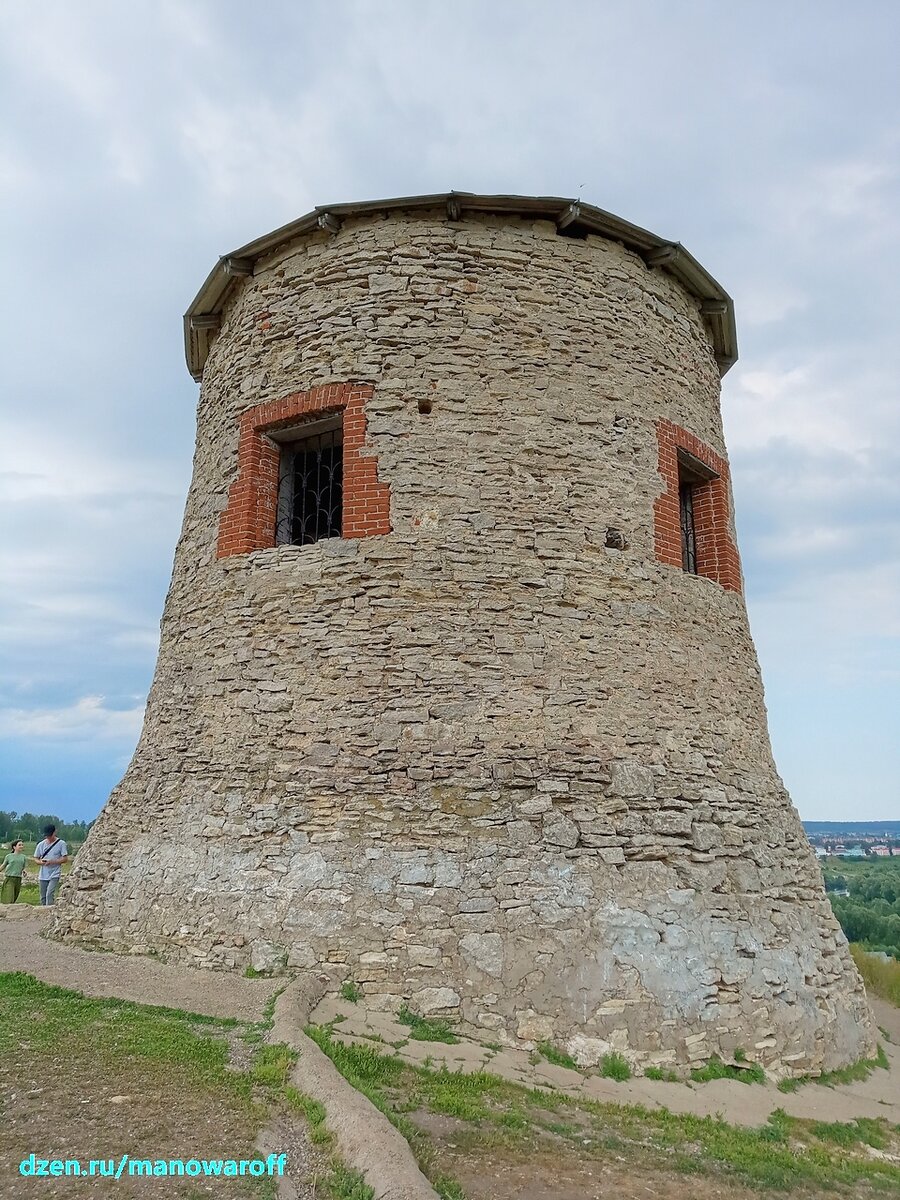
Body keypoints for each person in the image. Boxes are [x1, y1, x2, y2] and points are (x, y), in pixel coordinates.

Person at [33, 824, 68, 906]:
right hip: (43, 874)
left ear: (54, 832)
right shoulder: (41, 845)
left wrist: (53, 861)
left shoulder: (61, 843)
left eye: (50, 835)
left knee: (49, 893)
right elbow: (36, 858)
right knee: (43, 896)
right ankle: (43, 911)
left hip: (55, 872)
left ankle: (50, 909)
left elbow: (65, 859)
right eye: (47, 836)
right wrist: (41, 862)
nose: (48, 837)